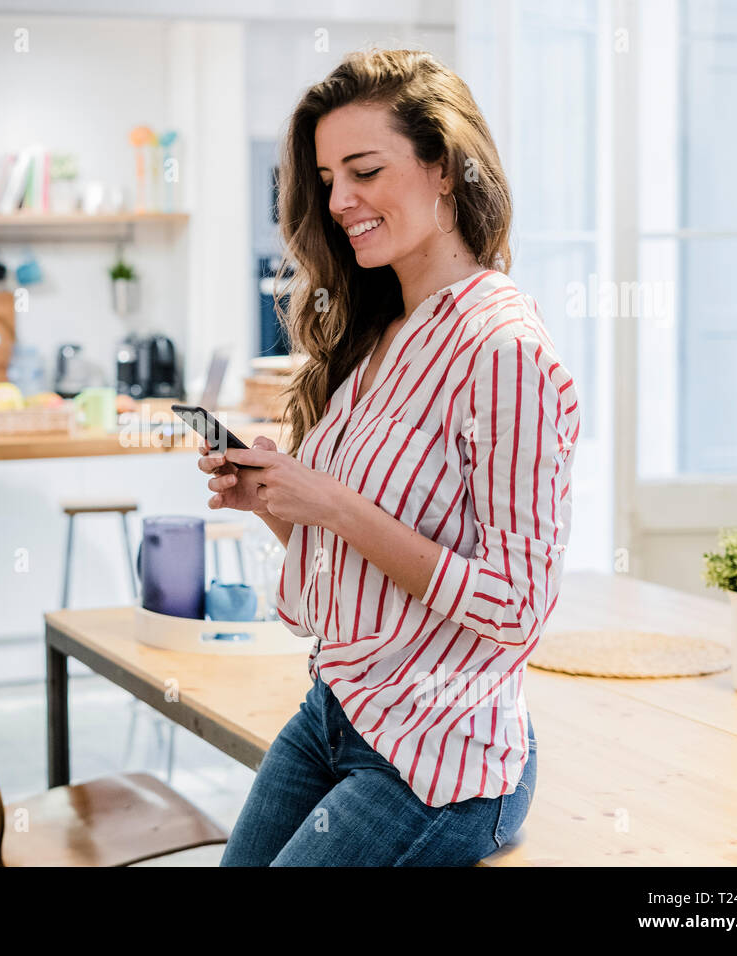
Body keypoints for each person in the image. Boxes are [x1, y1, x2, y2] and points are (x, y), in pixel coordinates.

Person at [200, 48, 580, 866]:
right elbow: (354, 568)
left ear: (443, 167)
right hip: (337, 711)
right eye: (328, 176)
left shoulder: (503, 351)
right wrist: (278, 500)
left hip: (443, 758)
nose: (339, 201)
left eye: (365, 170)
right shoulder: (377, 338)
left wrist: (329, 500)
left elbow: (518, 605)